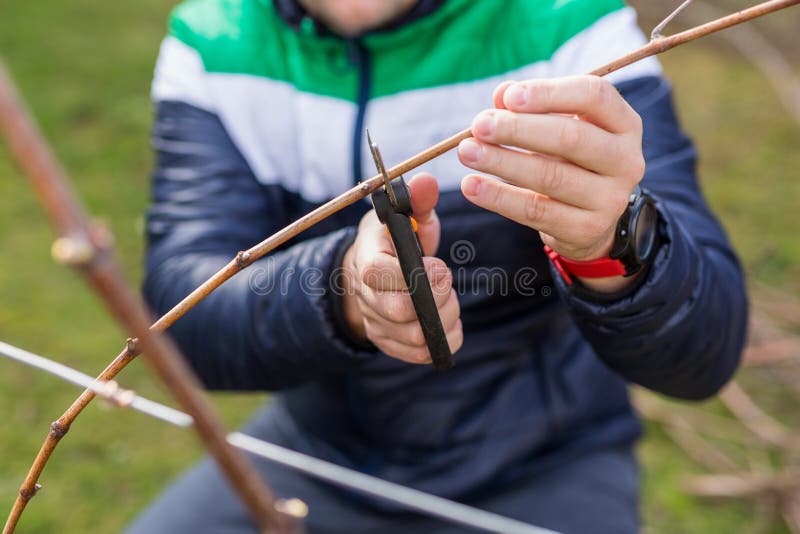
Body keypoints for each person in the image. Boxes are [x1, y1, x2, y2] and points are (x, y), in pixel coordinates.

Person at [128, 0, 748, 532]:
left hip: (544, 465)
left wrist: (611, 243)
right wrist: (343, 288)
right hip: (313, 453)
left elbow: (705, 351)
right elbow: (183, 320)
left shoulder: (567, 24)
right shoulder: (216, 38)